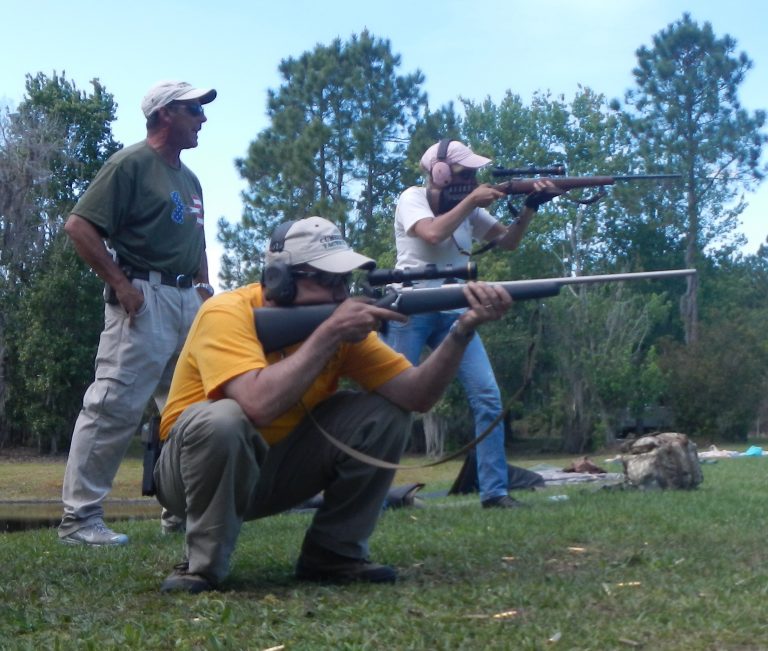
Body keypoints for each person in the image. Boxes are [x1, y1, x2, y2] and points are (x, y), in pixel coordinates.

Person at [153, 216, 513, 593]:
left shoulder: (342, 326)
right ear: (280, 278)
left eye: (344, 281)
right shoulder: (226, 312)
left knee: (385, 412)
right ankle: (201, 567)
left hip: (273, 473)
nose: (340, 293)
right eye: (326, 280)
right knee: (224, 419)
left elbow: (416, 396)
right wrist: (329, 333)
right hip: (189, 479)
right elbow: (257, 405)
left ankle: (334, 554)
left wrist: (461, 331)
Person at [58, 81, 217, 546]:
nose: (202, 120)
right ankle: (79, 520)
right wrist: (121, 285)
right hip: (144, 297)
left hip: (189, 301)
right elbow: (79, 226)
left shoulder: (190, 179)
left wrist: (206, 290)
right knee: (113, 406)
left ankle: (179, 513)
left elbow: (197, 239)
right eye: (193, 111)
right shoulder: (129, 164)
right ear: (165, 114)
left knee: (190, 411)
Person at [383, 139, 559, 509]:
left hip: (456, 309)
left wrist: (529, 207)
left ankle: (494, 492)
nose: (474, 177)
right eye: (465, 171)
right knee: (393, 404)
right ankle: (372, 495)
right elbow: (431, 233)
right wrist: (470, 202)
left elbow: (507, 243)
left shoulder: (469, 208)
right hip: (411, 307)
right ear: (439, 172)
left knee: (487, 397)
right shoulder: (412, 197)